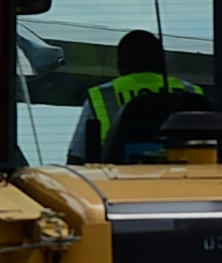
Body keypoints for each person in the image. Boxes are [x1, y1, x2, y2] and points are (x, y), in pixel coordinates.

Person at [70, 30, 207, 163]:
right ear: (161, 66)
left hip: (117, 182)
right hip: (187, 181)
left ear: (120, 67)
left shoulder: (101, 96)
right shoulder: (192, 92)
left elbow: (77, 157)